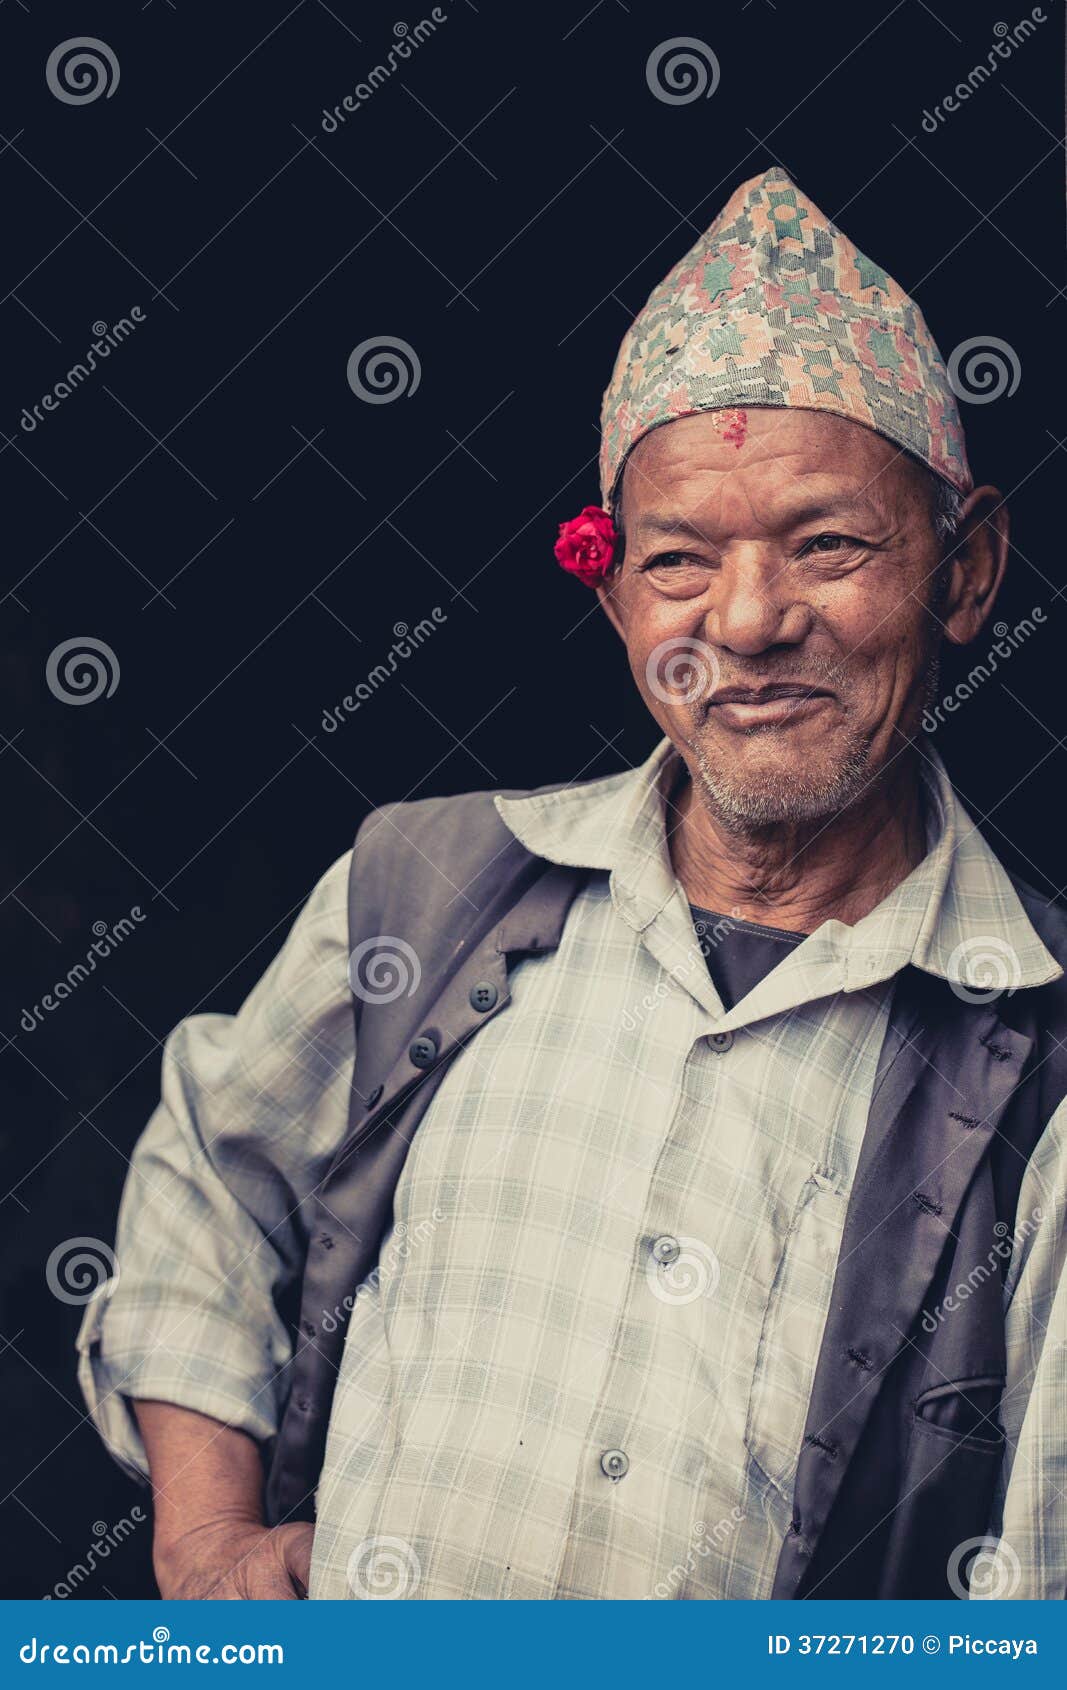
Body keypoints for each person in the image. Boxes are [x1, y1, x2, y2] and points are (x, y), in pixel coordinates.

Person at [79, 168, 1067, 1601]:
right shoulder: (424, 893)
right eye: (679, 561)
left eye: (827, 544)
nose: (748, 621)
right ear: (614, 600)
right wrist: (205, 1537)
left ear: (967, 570)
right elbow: (211, 1188)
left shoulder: (1038, 1059)